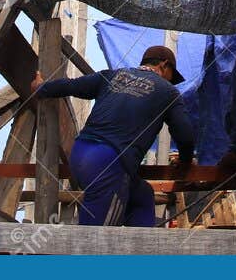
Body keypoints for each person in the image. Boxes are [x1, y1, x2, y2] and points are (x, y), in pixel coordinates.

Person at [30, 44, 196, 226]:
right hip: (109, 164)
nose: (171, 82)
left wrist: (42, 88)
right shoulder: (168, 92)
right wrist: (186, 161)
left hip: (80, 155)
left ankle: (142, 252)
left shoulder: (112, 76)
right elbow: (185, 134)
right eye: (172, 76)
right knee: (98, 239)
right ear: (164, 65)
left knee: (141, 197)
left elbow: (71, 86)